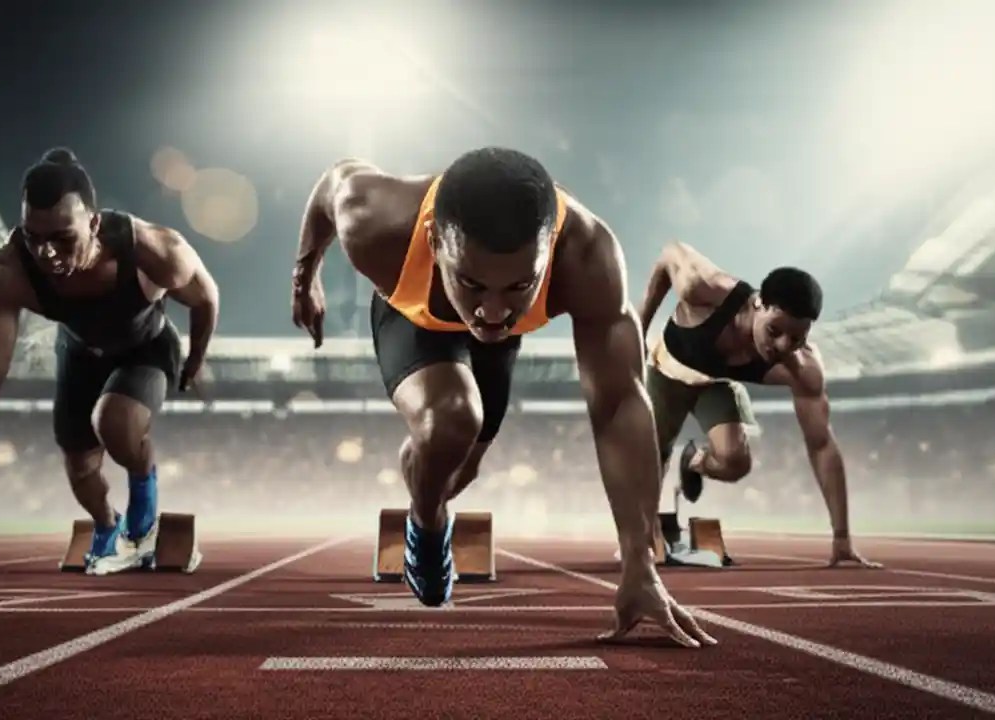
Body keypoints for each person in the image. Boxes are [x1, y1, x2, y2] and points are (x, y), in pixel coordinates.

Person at [291, 147, 717, 648]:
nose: (493, 310)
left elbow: (619, 403)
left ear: (548, 250)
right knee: (452, 420)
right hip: (413, 313)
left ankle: (432, 480)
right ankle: (425, 523)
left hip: (497, 348)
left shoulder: (587, 255)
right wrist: (304, 277)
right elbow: (330, 185)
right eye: (472, 282)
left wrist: (640, 563)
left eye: (520, 285)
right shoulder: (374, 220)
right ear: (433, 238)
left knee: (462, 467)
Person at [0, 148, 219, 575]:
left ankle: (143, 517)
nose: (46, 253)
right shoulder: (8, 270)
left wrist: (195, 360)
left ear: (93, 224)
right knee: (80, 469)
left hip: (145, 346)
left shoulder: (153, 248)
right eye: (34, 237)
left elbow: (206, 298)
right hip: (78, 354)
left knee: (115, 422)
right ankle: (109, 527)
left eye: (62, 238)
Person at [638, 240, 880, 568]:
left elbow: (822, 445)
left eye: (796, 339)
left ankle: (693, 461)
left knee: (736, 463)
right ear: (758, 304)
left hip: (716, 383)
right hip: (668, 370)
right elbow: (669, 253)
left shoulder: (803, 367)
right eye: (774, 330)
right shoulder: (705, 287)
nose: (781, 346)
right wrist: (639, 327)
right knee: (650, 456)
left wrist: (841, 537)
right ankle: (643, 531)